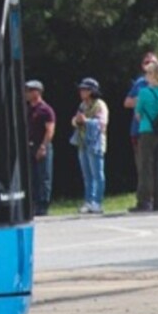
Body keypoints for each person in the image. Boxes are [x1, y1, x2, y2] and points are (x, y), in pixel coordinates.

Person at [132, 61, 158, 212]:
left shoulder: (144, 92)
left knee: (145, 167)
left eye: (148, 73)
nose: (145, 76)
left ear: (152, 75)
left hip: (147, 130)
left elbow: (138, 113)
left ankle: (144, 201)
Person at [71, 78, 108, 214]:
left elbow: (102, 123)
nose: (82, 92)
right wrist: (76, 121)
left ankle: (97, 202)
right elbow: (75, 121)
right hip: (82, 142)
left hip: (96, 143)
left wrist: (86, 121)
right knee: (87, 175)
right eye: (81, 89)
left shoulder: (100, 105)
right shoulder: (82, 105)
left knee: (97, 174)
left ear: (92, 91)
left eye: (85, 89)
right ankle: (88, 201)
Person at [23, 80, 55, 215]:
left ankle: (43, 205)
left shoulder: (45, 110)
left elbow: (50, 129)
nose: (26, 93)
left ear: (37, 92)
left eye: (29, 90)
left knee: (44, 177)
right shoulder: (28, 109)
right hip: (29, 145)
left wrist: (43, 146)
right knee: (32, 177)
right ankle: (33, 203)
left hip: (41, 145)